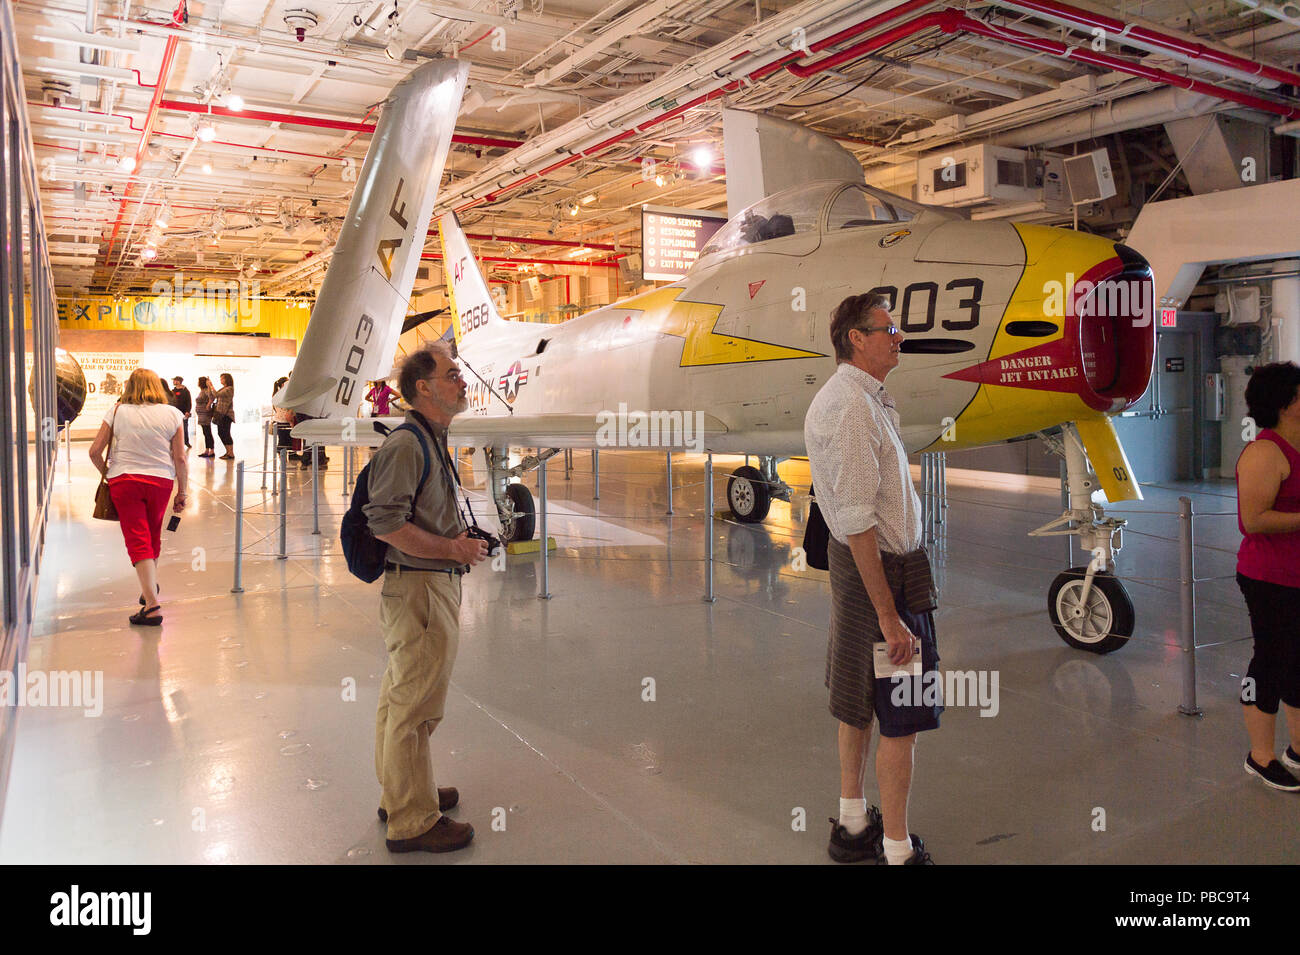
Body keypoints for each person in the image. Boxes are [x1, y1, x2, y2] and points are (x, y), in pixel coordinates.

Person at [804, 292, 940, 865]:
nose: (898, 336)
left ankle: (855, 823)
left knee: (857, 701)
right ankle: (897, 849)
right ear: (855, 338)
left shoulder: (850, 398)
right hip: (886, 578)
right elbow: (859, 521)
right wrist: (891, 617)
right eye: (888, 329)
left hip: (870, 573)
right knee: (901, 715)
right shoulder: (855, 407)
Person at [364, 342, 487, 853]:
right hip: (419, 587)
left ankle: (403, 791)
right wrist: (452, 547)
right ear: (424, 387)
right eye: (452, 374)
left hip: (426, 584)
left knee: (404, 695)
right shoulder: (408, 445)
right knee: (416, 704)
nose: (462, 381)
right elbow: (386, 523)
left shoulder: (431, 438)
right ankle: (412, 821)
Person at [1235, 361, 1300, 791]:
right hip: (1270, 577)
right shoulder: (1264, 452)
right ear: (1285, 404)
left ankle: (1298, 747)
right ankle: (1261, 756)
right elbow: (1253, 520)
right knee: (1271, 662)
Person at [88, 368, 187, 627]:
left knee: (137, 538)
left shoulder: (117, 411)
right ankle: (148, 591)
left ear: (130, 386)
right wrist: (183, 491)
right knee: (152, 535)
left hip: (126, 480)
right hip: (161, 481)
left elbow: (95, 451)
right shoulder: (173, 414)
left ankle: (152, 606)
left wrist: (109, 475)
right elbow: (180, 457)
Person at [271, 376, 298, 460]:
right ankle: (282, 459)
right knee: (283, 441)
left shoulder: (277, 395)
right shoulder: (281, 396)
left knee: (286, 441)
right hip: (283, 421)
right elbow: (286, 410)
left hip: (281, 421)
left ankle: (286, 458)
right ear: (283, 384)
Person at [213, 373, 235, 459]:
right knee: (221, 433)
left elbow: (216, 395)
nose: (221, 380)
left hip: (226, 414)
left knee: (225, 433)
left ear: (226, 379)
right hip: (220, 413)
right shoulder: (224, 388)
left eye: (222, 378)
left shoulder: (229, 389)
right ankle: (228, 452)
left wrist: (211, 385)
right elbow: (215, 395)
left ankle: (230, 453)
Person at [195, 376, 217, 458]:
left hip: (205, 414)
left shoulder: (206, 390)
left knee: (207, 432)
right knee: (205, 432)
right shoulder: (202, 391)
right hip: (201, 414)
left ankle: (211, 450)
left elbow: (213, 397)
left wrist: (208, 404)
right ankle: (207, 450)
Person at [170, 376, 193, 449]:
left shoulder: (185, 391)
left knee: (184, 428)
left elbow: (189, 402)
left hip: (183, 413)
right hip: (174, 413)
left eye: (175, 380)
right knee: (174, 428)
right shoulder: (172, 391)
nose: (174, 382)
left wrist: (187, 411)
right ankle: (175, 443)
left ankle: (186, 442)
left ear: (179, 381)